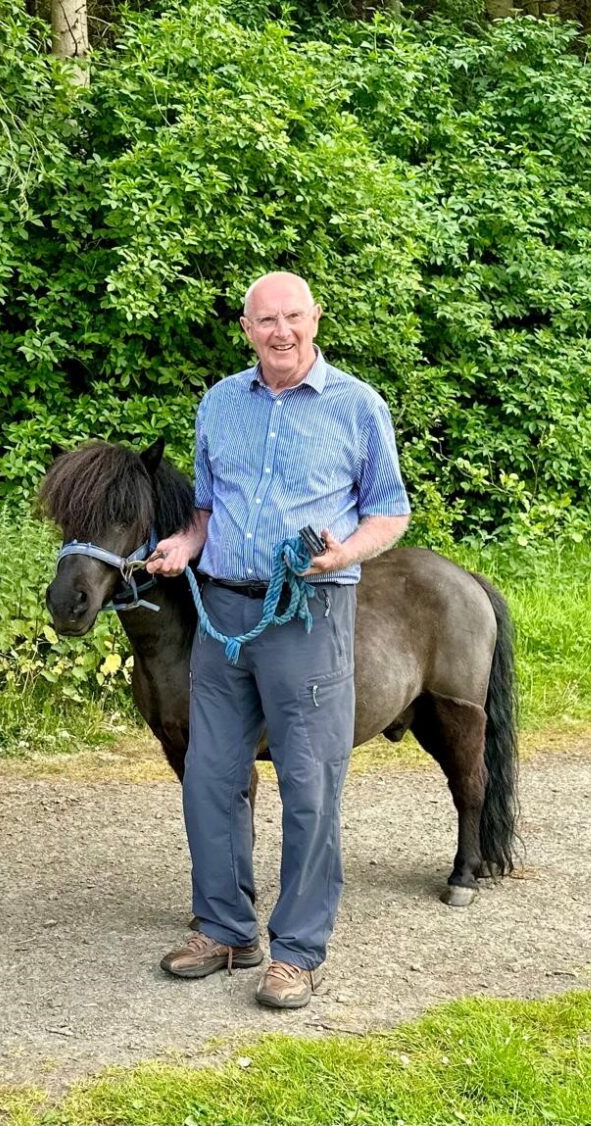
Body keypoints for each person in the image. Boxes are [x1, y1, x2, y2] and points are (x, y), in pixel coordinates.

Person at [145, 272, 410, 1009]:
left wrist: (343, 553)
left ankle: (296, 949)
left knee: (309, 786)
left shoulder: (357, 406)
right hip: (223, 618)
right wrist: (184, 545)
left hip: (309, 613)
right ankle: (227, 929)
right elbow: (206, 509)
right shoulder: (220, 403)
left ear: (315, 319)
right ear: (246, 328)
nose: (281, 331)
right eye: (266, 321)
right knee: (209, 778)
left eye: (293, 317)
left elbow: (390, 513)